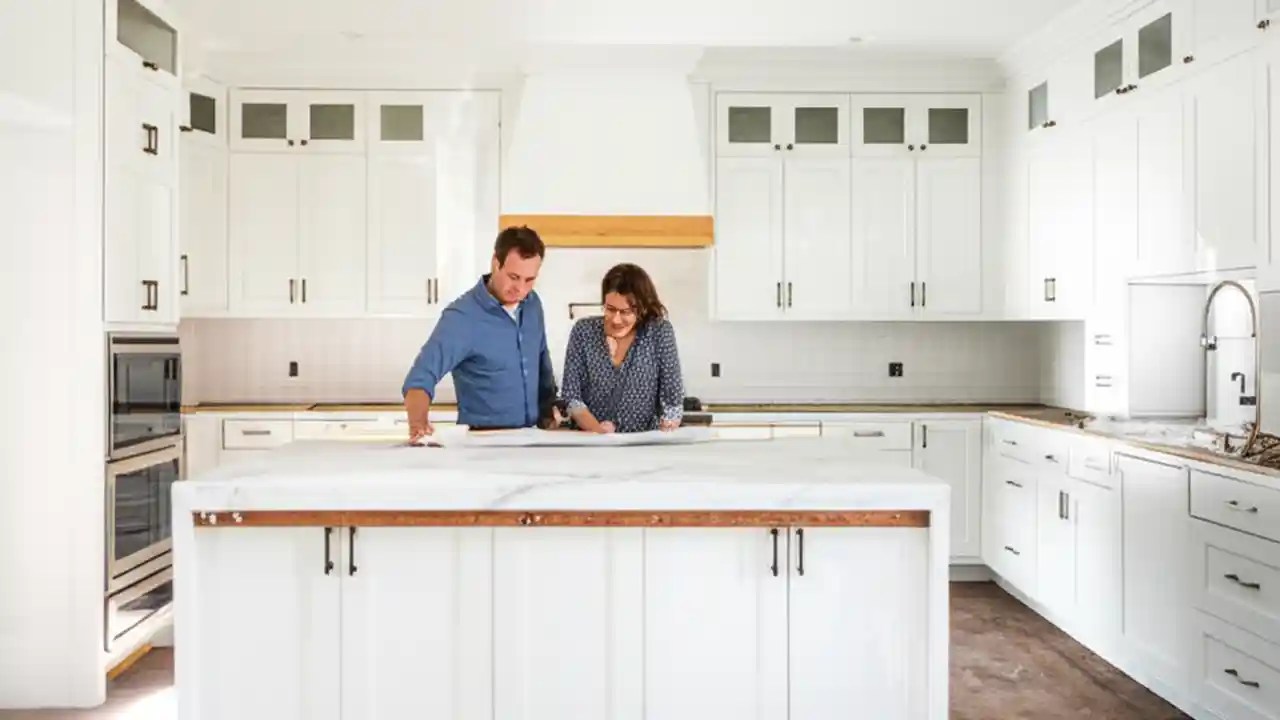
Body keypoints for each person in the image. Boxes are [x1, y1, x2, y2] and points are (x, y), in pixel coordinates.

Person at [401, 226, 558, 440]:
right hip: (483, 443)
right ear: (495, 263)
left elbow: (542, 366)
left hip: (533, 438)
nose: (520, 289)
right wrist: (418, 424)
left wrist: (550, 412)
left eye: (529, 280)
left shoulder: (532, 305)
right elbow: (420, 378)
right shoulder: (462, 318)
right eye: (514, 277)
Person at [560, 263, 685, 433]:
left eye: (626, 312)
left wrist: (669, 425)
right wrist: (598, 431)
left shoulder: (659, 332)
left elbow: (673, 401)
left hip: (644, 442)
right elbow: (572, 397)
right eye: (610, 309)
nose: (616, 320)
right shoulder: (584, 332)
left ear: (642, 308)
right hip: (591, 440)